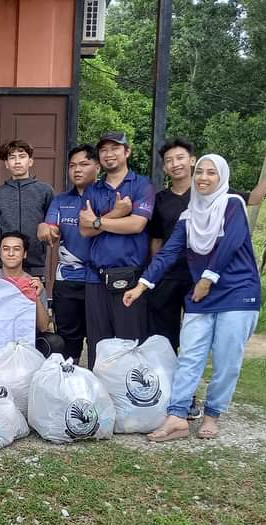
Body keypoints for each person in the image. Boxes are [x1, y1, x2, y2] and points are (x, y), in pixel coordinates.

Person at [122, 155, 261, 442]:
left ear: (222, 178)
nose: (203, 178)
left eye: (211, 173)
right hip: (201, 294)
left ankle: (212, 414)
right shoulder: (189, 216)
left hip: (237, 293)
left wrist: (207, 279)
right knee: (189, 356)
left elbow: (230, 244)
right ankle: (177, 416)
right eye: (200, 172)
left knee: (226, 359)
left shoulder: (232, 204)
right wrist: (142, 286)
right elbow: (168, 253)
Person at [149, 139, 266, 351]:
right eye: (169, 160)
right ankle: (168, 367)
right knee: (164, 333)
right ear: (164, 167)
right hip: (170, 274)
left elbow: (254, 198)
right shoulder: (160, 200)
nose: (175, 164)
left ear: (192, 161)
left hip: (201, 273)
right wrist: (155, 274)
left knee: (198, 334)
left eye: (180, 158)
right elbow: (157, 239)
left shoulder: (215, 193)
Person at [79, 131, 155, 369]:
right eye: (103, 150)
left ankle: (130, 391)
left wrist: (98, 221)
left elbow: (136, 224)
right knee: (98, 345)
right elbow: (84, 230)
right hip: (96, 276)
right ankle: (99, 391)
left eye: (115, 148)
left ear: (127, 152)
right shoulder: (93, 190)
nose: (108, 154)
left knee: (129, 345)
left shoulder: (142, 185)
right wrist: (118, 214)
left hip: (130, 276)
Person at [40, 144, 115, 363]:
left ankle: (97, 381)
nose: (77, 170)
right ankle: (68, 380)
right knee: (67, 342)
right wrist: (45, 229)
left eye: (84, 164)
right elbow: (50, 227)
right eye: (72, 166)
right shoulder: (61, 200)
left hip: (99, 280)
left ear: (97, 167)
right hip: (68, 280)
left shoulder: (109, 198)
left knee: (99, 341)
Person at [0, 232, 65, 356]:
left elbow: (43, 327)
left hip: (25, 340)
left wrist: (35, 296)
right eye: (6, 249)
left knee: (55, 342)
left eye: (17, 249)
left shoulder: (33, 283)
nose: (11, 253)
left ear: (24, 254)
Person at [0, 140, 54, 277]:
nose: (17, 162)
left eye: (22, 156)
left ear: (30, 161)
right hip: (5, 266)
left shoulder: (45, 191)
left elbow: (54, 226)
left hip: (35, 265)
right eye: (12, 157)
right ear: (6, 163)